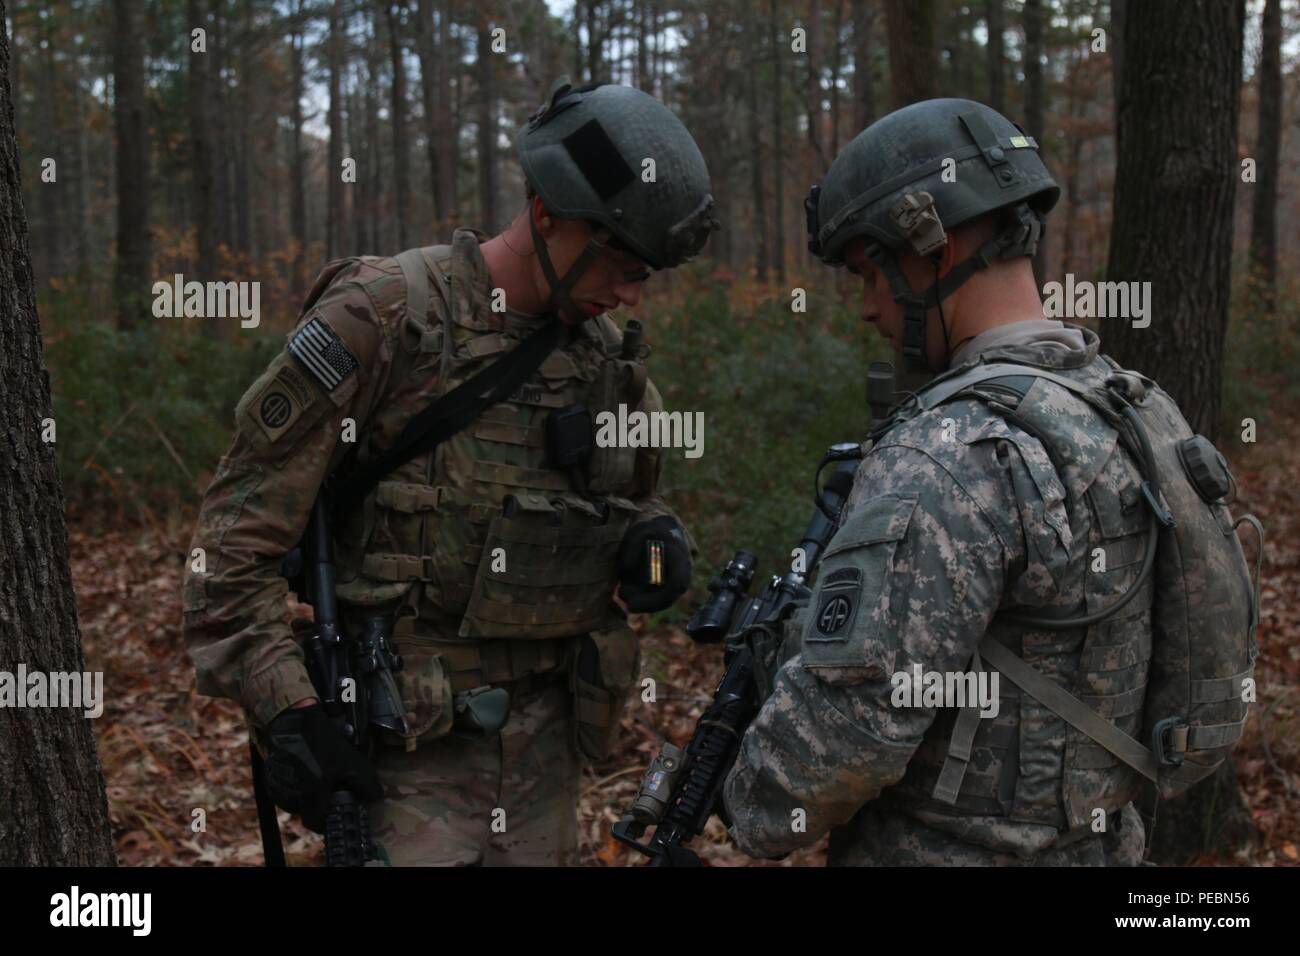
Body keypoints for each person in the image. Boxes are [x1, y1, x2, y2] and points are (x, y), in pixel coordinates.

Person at [183, 79, 717, 866]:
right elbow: (231, 546)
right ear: (547, 215)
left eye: (649, 272)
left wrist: (655, 540)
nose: (633, 292)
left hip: (546, 760)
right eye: (621, 262)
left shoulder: (608, 366)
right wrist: (290, 709)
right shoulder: (385, 317)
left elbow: (635, 502)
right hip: (406, 760)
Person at [721, 97, 1253, 865]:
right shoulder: (1138, 411)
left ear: (932, 249)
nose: (868, 309)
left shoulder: (950, 452)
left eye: (869, 274)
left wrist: (748, 802)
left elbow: (838, 746)